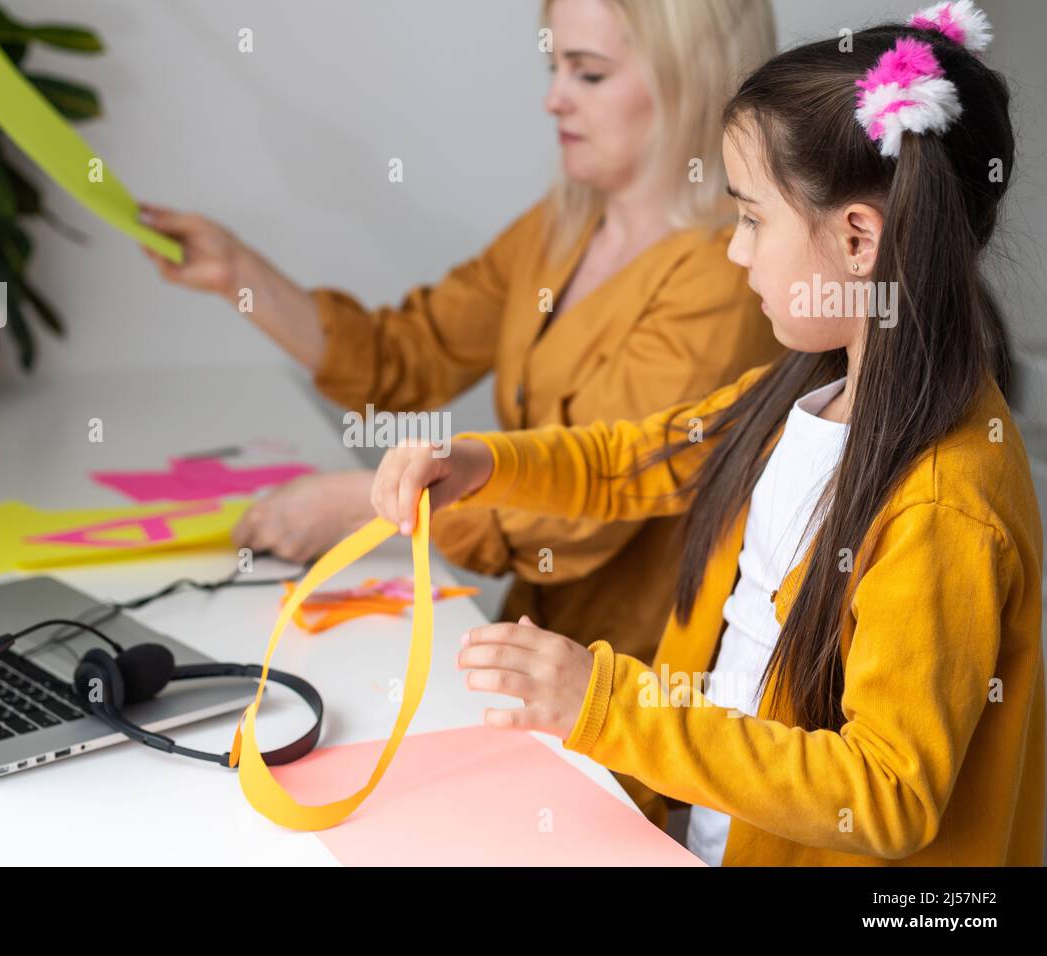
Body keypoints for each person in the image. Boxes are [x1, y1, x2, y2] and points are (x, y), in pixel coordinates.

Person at [370, 1, 1044, 865]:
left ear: (857, 239)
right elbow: (632, 460)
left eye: (752, 218)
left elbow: (886, 794)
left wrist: (606, 706)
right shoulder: (808, 391)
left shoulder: (944, 507)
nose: (735, 251)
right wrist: (480, 463)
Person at [141, 0, 781, 663]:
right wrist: (238, 274)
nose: (554, 100)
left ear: (690, 80)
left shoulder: (725, 276)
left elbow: (587, 504)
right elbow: (407, 357)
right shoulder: (561, 226)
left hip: (640, 682)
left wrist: (365, 502)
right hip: (534, 648)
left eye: (588, 74)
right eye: (554, 67)